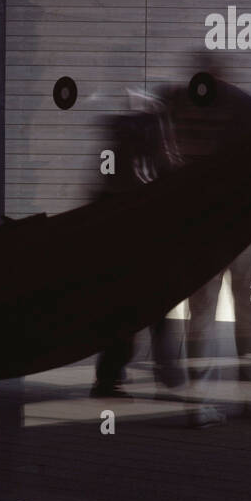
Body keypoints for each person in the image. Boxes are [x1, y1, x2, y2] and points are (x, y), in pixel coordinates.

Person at [166, 55, 251, 427]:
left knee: (201, 315)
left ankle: (199, 404)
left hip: (201, 227)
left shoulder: (178, 108)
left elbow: (171, 167)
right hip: (246, 226)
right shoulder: (249, 109)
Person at [90, 98, 186, 399]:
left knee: (125, 316)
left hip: (119, 246)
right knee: (153, 313)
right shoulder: (150, 152)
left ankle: (111, 378)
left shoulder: (117, 156)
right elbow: (168, 172)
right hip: (146, 245)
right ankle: (165, 375)